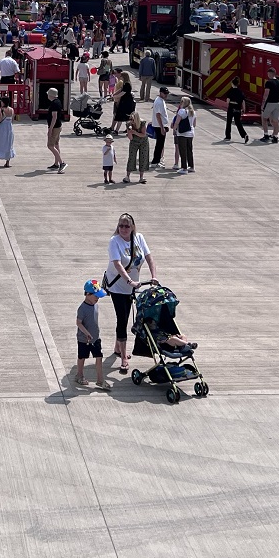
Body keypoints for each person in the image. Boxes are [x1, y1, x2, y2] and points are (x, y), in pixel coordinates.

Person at [105, 213, 157, 373]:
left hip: (132, 287)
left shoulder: (139, 238)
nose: (123, 229)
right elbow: (118, 264)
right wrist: (129, 281)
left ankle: (117, 347)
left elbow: (148, 258)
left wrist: (154, 277)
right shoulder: (114, 241)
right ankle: (123, 358)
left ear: (132, 227)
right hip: (117, 286)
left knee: (125, 316)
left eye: (127, 226)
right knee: (122, 319)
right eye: (121, 225)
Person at [75, 281, 111, 391]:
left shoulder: (95, 305)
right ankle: (79, 375)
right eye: (96, 296)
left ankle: (100, 380)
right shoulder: (82, 308)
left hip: (95, 338)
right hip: (84, 339)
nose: (98, 298)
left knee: (99, 357)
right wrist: (87, 333)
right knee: (82, 357)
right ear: (87, 294)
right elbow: (78, 322)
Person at [172, 97, 196, 174]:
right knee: (189, 150)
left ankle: (184, 168)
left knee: (182, 150)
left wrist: (175, 130)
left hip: (182, 134)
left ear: (183, 102)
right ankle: (191, 166)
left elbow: (177, 122)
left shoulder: (181, 111)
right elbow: (194, 124)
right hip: (191, 133)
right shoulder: (193, 112)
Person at [124, 111, 149, 184]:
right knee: (131, 157)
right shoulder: (128, 124)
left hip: (143, 142)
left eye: (132, 119)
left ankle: (141, 177)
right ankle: (127, 176)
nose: (131, 121)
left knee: (143, 157)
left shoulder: (142, 123)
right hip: (134, 142)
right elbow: (131, 138)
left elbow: (143, 134)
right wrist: (129, 132)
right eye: (130, 119)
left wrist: (135, 133)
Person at [260, 69, 279, 143]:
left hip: (270, 103)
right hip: (278, 103)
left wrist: (263, 103)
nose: (268, 75)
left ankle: (266, 135)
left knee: (264, 119)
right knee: (276, 121)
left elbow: (266, 93)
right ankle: (275, 137)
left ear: (270, 74)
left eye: (268, 74)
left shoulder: (268, 82)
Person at [44, 87, 65, 172]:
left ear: (50, 95)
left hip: (55, 127)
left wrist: (50, 129)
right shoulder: (58, 102)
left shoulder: (54, 104)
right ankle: (56, 163)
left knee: (50, 146)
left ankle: (61, 163)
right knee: (56, 144)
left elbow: (54, 117)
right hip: (58, 126)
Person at [223, 78, 249, 143]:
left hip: (231, 108)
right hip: (238, 108)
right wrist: (243, 109)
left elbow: (228, 101)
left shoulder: (230, 91)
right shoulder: (240, 92)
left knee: (229, 122)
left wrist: (228, 104)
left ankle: (228, 136)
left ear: (232, 83)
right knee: (238, 122)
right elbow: (243, 101)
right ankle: (244, 135)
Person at [149, 86, 170, 167]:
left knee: (160, 144)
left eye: (166, 93)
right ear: (160, 93)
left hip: (159, 125)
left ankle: (157, 160)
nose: (166, 95)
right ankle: (155, 161)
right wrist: (162, 128)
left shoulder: (160, 100)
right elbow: (158, 115)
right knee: (159, 144)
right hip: (159, 126)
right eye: (165, 93)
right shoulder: (159, 102)